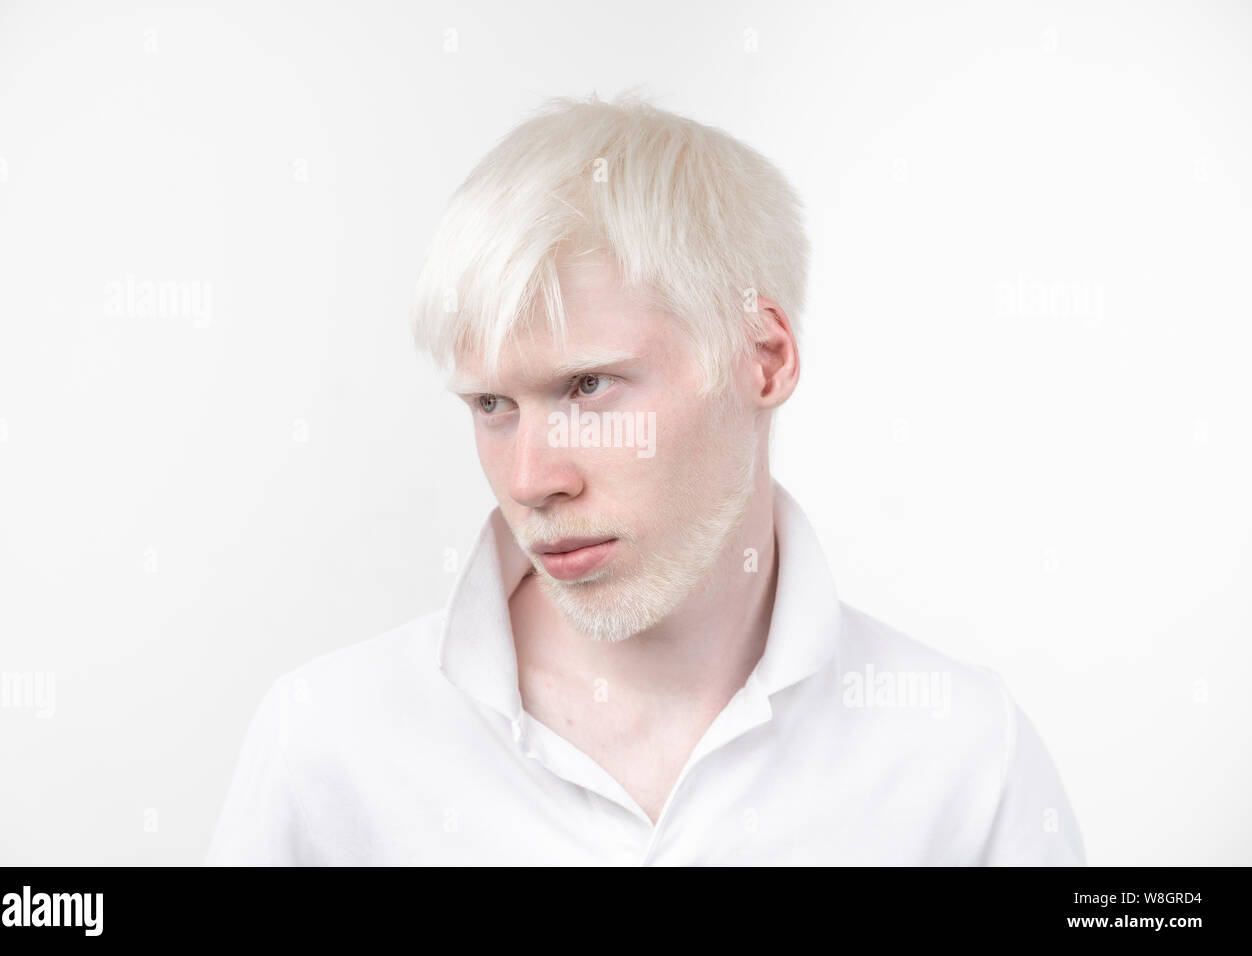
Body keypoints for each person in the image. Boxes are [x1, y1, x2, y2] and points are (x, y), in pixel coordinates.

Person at [206, 91, 1086, 865]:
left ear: (764, 359)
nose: (529, 481)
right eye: (490, 405)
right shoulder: (327, 742)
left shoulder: (962, 756)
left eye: (587, 387)